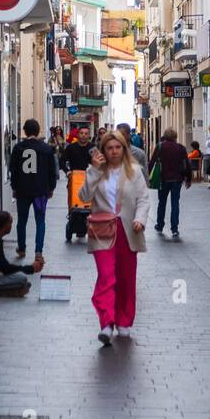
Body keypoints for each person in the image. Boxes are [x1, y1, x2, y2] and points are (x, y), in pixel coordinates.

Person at [80, 130, 151, 344]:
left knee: (126, 278)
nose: (113, 152)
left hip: (128, 229)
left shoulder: (135, 172)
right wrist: (93, 170)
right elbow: (83, 196)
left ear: (124, 148)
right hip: (102, 230)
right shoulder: (95, 171)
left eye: (117, 147)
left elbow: (143, 199)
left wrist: (140, 219)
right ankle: (106, 322)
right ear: (103, 150)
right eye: (109, 148)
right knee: (106, 275)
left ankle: (123, 321)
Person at [8, 119, 57, 260]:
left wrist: (14, 187)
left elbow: (13, 170)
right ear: (38, 130)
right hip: (40, 192)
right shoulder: (46, 148)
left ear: (25, 131)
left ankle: (22, 248)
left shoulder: (18, 148)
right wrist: (51, 187)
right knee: (40, 220)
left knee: (22, 220)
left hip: (22, 190)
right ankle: (38, 251)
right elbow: (51, 171)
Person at [148, 127, 190, 239]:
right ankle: (174, 228)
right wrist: (188, 178)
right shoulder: (181, 148)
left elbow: (152, 162)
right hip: (177, 179)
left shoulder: (160, 146)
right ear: (175, 136)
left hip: (163, 179)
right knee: (175, 203)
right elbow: (186, 164)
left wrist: (147, 175)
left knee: (162, 202)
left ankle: (160, 225)